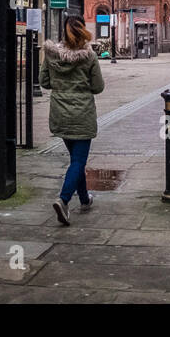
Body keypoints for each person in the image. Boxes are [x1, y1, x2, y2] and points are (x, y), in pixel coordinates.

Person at [40, 16, 105, 225]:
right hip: (82, 114)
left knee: (76, 161)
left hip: (60, 113)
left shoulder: (51, 55)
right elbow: (98, 87)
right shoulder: (89, 56)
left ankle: (85, 200)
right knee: (78, 161)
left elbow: (44, 82)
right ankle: (64, 200)